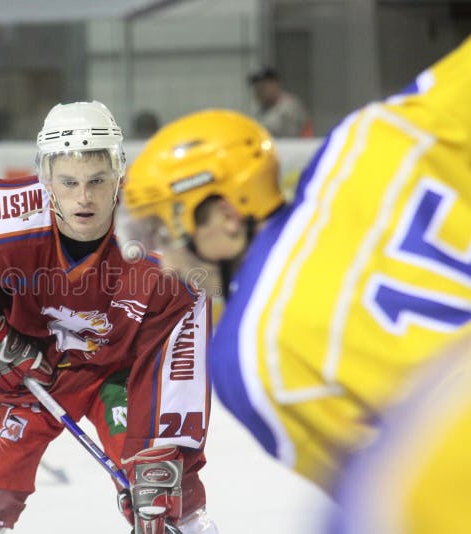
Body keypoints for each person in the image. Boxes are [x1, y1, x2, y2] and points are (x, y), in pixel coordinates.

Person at [125, 35, 471, 520]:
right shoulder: (367, 144)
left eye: (165, 231)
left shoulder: (251, 358)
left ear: (226, 215)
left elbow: (396, 502)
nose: (162, 260)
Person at [0, 101, 218, 533]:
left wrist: (159, 452)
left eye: (97, 180)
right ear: (46, 179)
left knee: (170, 496)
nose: (84, 198)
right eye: (69, 182)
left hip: (122, 371)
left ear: (119, 174)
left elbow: (177, 352)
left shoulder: (164, 245)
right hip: (20, 363)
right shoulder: (0, 220)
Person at [248, 67, 312, 137]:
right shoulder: (263, 110)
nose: (258, 92)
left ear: (275, 84)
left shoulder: (289, 106)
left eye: (262, 87)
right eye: (256, 88)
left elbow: (287, 137)